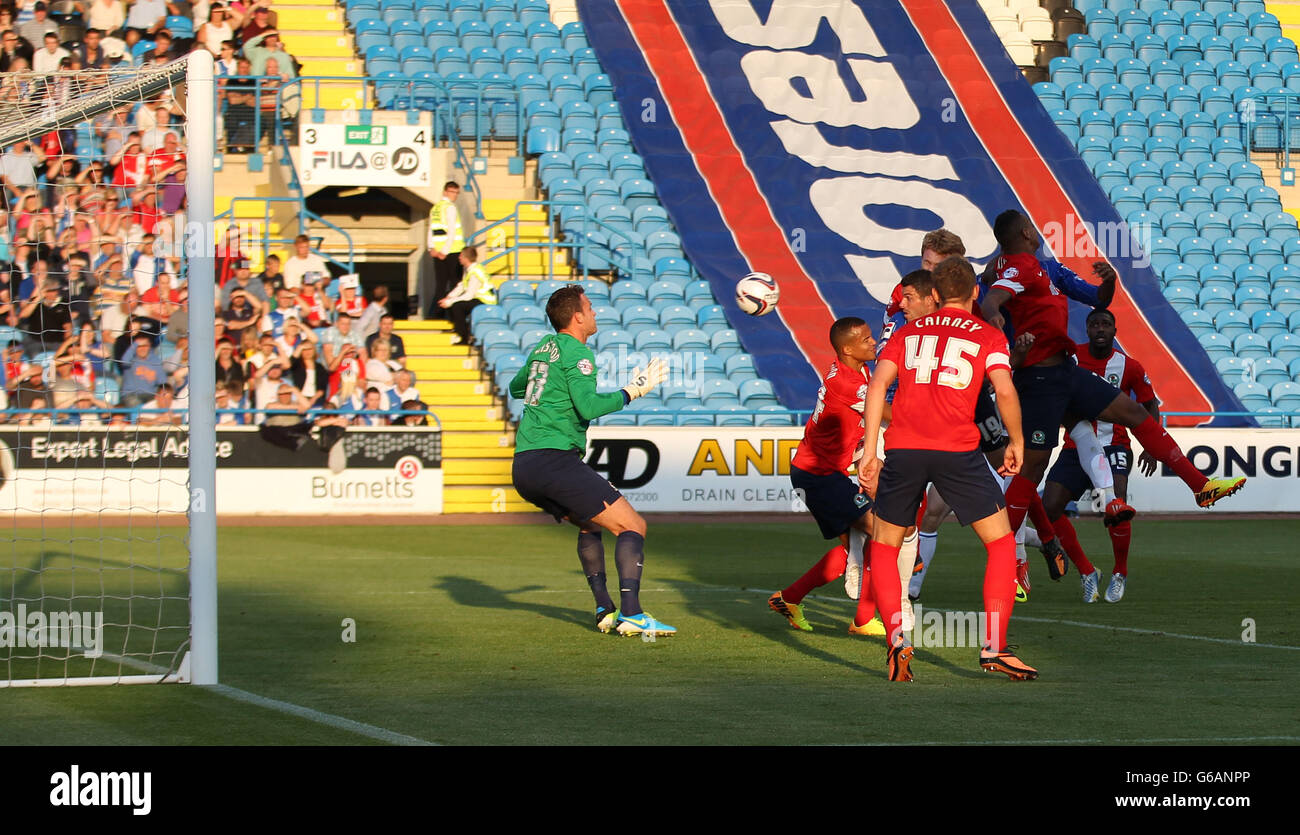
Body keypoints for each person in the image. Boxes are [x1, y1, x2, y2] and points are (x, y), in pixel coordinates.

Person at [980, 210, 1245, 535]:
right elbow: (993, 297)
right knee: (1033, 468)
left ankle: (1200, 485)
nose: (1037, 231)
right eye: (1032, 227)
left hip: (1065, 371)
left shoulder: (1043, 268)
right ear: (1024, 233)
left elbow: (1097, 299)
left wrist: (1109, 282)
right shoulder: (1018, 267)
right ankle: (1007, 552)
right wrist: (993, 313)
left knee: (1134, 412)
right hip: (1039, 380)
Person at [860, 256, 1032, 683]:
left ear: (934, 295)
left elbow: (877, 384)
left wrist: (869, 450)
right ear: (976, 292)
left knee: (883, 545)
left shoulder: (907, 332)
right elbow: (1005, 389)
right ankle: (994, 646)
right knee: (1000, 544)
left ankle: (897, 640)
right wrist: (1016, 440)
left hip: (905, 449)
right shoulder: (989, 335)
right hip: (958, 450)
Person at [509, 285, 671, 636]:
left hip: (524, 465)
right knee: (633, 526)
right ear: (577, 316)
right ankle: (633, 613)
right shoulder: (578, 352)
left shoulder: (542, 348)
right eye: (590, 307)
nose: (595, 313)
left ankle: (604, 609)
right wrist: (634, 390)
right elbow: (589, 407)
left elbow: (517, 387)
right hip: (554, 459)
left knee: (590, 525)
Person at [767, 316, 886, 637]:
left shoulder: (852, 369)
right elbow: (888, 414)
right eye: (865, 339)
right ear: (847, 349)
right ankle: (863, 619)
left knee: (856, 549)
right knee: (879, 531)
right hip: (818, 475)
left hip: (819, 472)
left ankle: (789, 598)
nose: (872, 342)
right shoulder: (848, 383)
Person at [1040, 308, 1158, 604]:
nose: (1100, 329)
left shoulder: (1129, 366)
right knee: (1049, 508)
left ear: (1115, 331)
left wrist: (1152, 445)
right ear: (1087, 329)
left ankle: (1120, 572)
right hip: (1075, 446)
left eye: (1106, 324)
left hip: (1115, 445)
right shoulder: (1073, 360)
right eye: (1095, 324)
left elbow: (1149, 404)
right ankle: (1087, 571)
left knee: (1115, 507)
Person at [437, 245, 495, 344]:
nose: (459, 258)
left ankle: (464, 337)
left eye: (461, 256)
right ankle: (457, 328)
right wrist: (449, 297)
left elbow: (469, 295)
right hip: (477, 298)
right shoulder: (468, 269)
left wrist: (450, 302)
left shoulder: (475, 272)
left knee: (457, 306)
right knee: (452, 301)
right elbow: (462, 286)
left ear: (466, 258)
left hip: (484, 301)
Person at [424, 181, 463, 319]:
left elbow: (431, 230)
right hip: (451, 251)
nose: (455, 195)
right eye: (452, 192)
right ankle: (452, 316)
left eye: (457, 193)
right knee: (455, 284)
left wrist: (431, 248)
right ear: (445, 192)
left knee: (440, 286)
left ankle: (438, 315)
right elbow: (451, 231)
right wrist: (444, 251)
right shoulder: (450, 207)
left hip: (438, 251)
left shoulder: (435, 208)